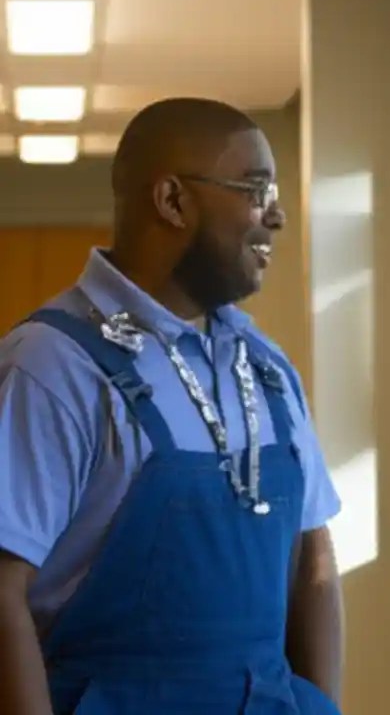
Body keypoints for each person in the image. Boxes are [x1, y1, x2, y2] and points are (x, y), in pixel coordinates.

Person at [0, 98, 344, 714]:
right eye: (255, 189)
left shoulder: (265, 367)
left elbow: (313, 563)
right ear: (173, 201)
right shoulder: (51, 367)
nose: (278, 215)